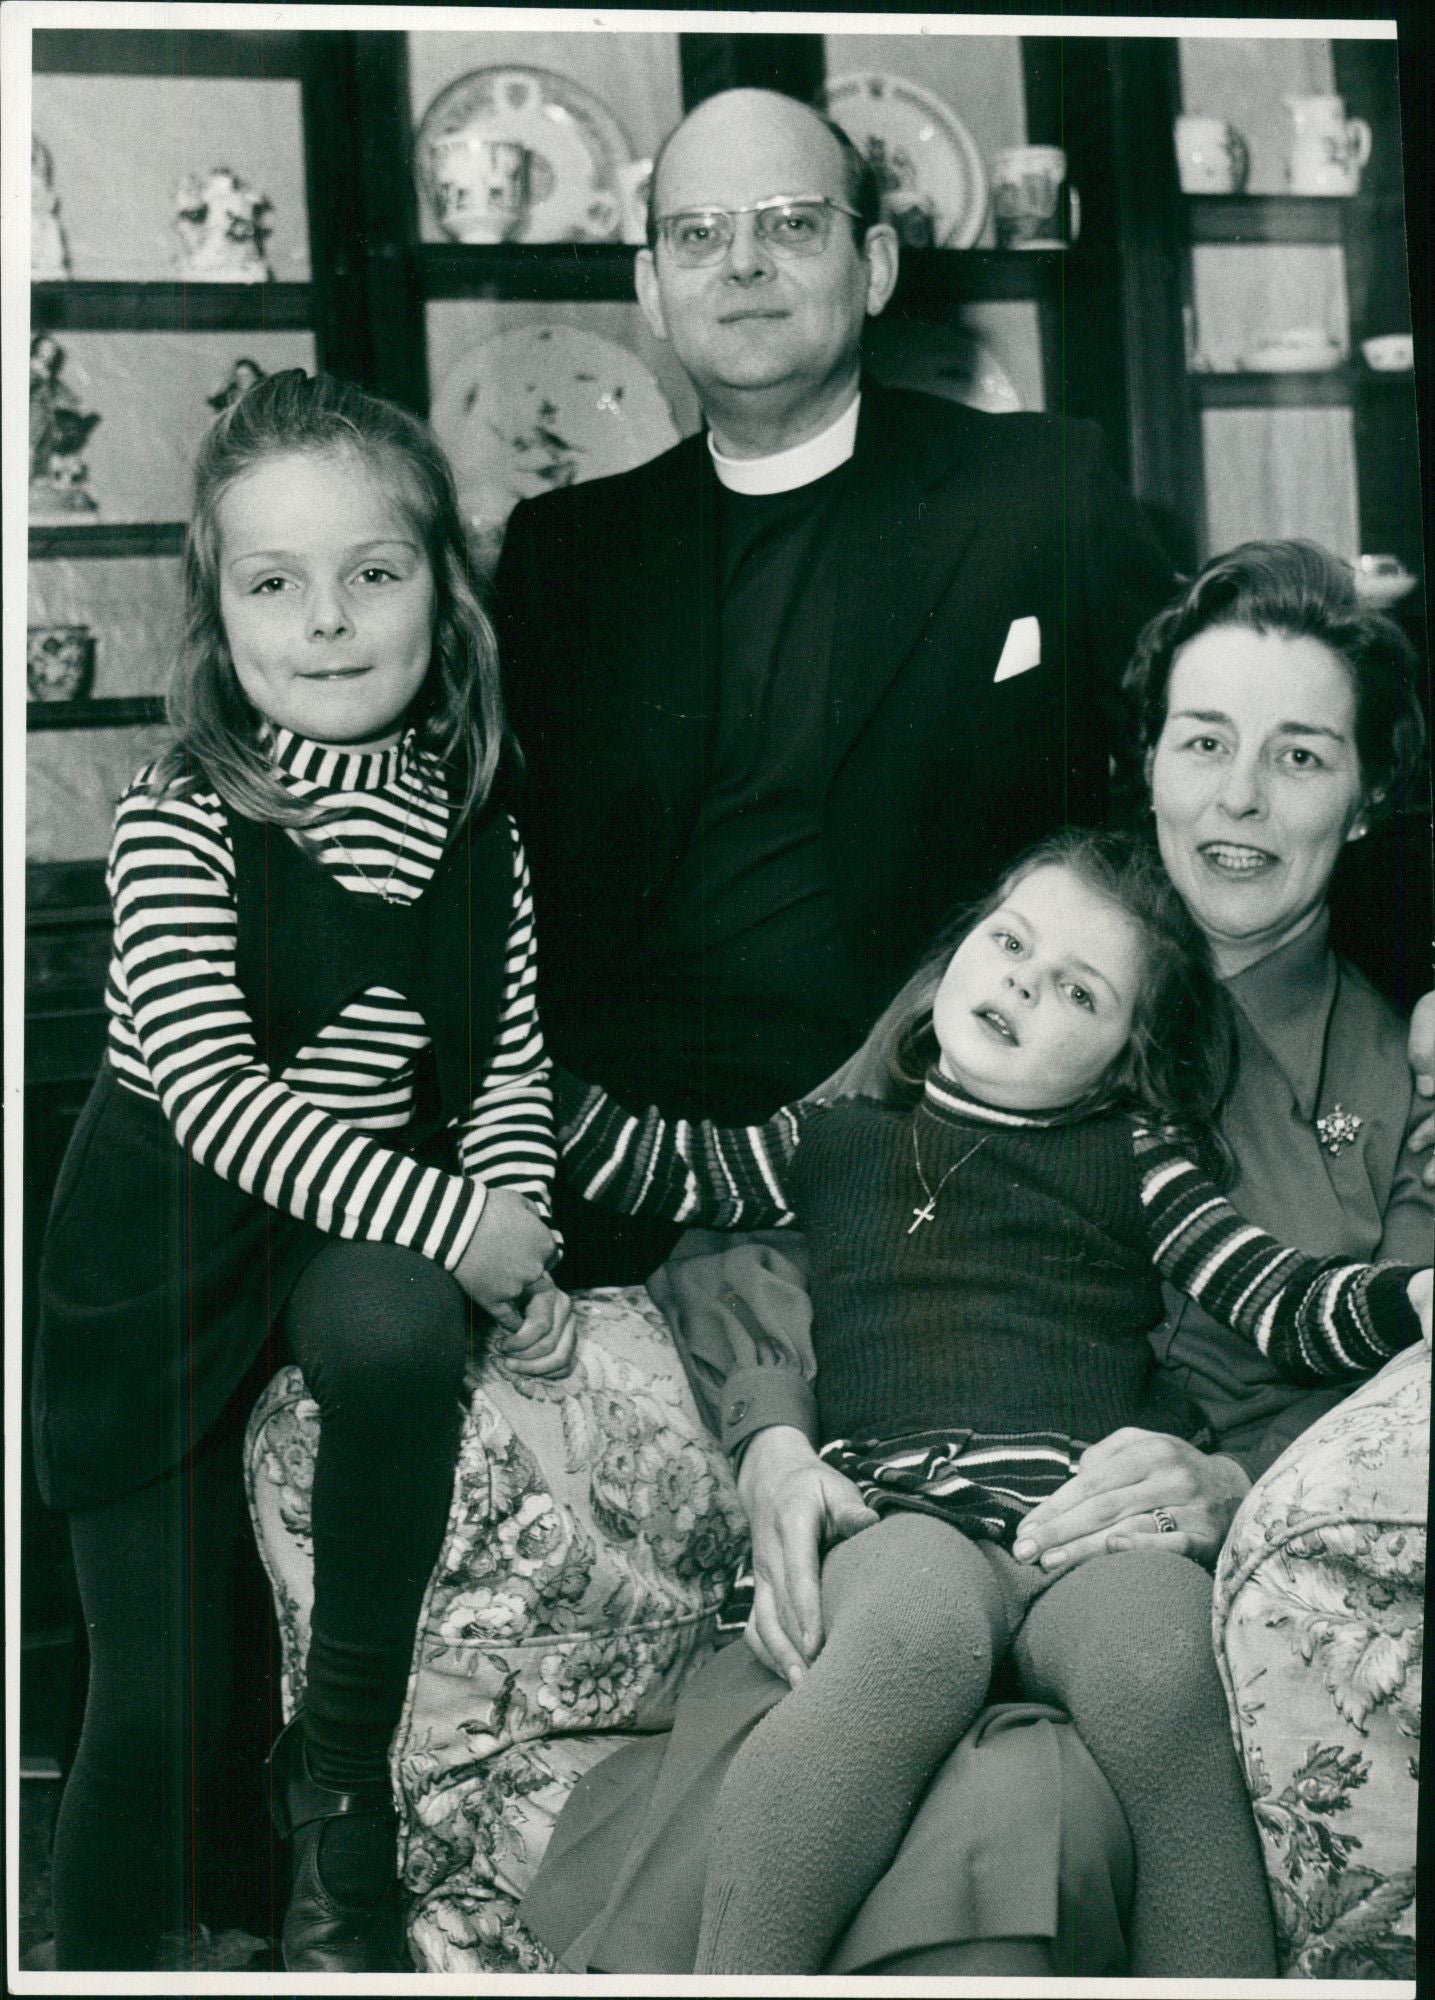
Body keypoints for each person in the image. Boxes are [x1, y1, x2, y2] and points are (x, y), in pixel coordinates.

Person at [521, 539, 1432, 1976]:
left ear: (1367, 795)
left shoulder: (1397, 1081)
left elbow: (1375, 1385)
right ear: (1143, 758)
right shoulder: (991, 983)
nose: (1237, 797)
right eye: (1201, 741)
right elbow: (763, 1211)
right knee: (940, 1766)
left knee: (1074, 1786)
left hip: (1150, 1628)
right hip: (909, 1577)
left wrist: (1231, 1490)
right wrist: (772, 1444)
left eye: (1299, 756)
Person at [33, 370, 578, 1973]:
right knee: (158, 1692)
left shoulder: (478, 825)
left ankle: (338, 1772)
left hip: (339, 1229)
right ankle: (108, 1958)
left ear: (441, 592)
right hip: (162, 1257)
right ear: (218, 616)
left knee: (399, 1332)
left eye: (373, 573)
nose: (327, 621)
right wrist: (458, 1225)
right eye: (275, 583)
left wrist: (518, 1233)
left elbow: (505, 1068)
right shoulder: (179, 817)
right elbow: (211, 1100)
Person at [492, 85, 1177, 1287]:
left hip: (941, 1131)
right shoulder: (565, 552)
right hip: (618, 1158)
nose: (741, 264)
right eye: (697, 235)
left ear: (873, 263)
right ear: (650, 289)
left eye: (790, 224)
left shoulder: (1036, 490)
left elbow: (1194, 770)